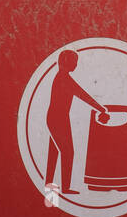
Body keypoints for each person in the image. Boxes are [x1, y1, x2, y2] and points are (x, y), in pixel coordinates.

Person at [45, 50, 108, 195]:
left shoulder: (62, 77)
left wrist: (100, 109)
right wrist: (101, 109)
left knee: (54, 152)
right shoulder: (64, 78)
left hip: (56, 117)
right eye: (74, 61)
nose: (76, 64)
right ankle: (64, 189)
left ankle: (50, 189)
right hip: (58, 119)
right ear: (66, 61)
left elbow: (79, 93)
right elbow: (82, 94)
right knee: (67, 152)